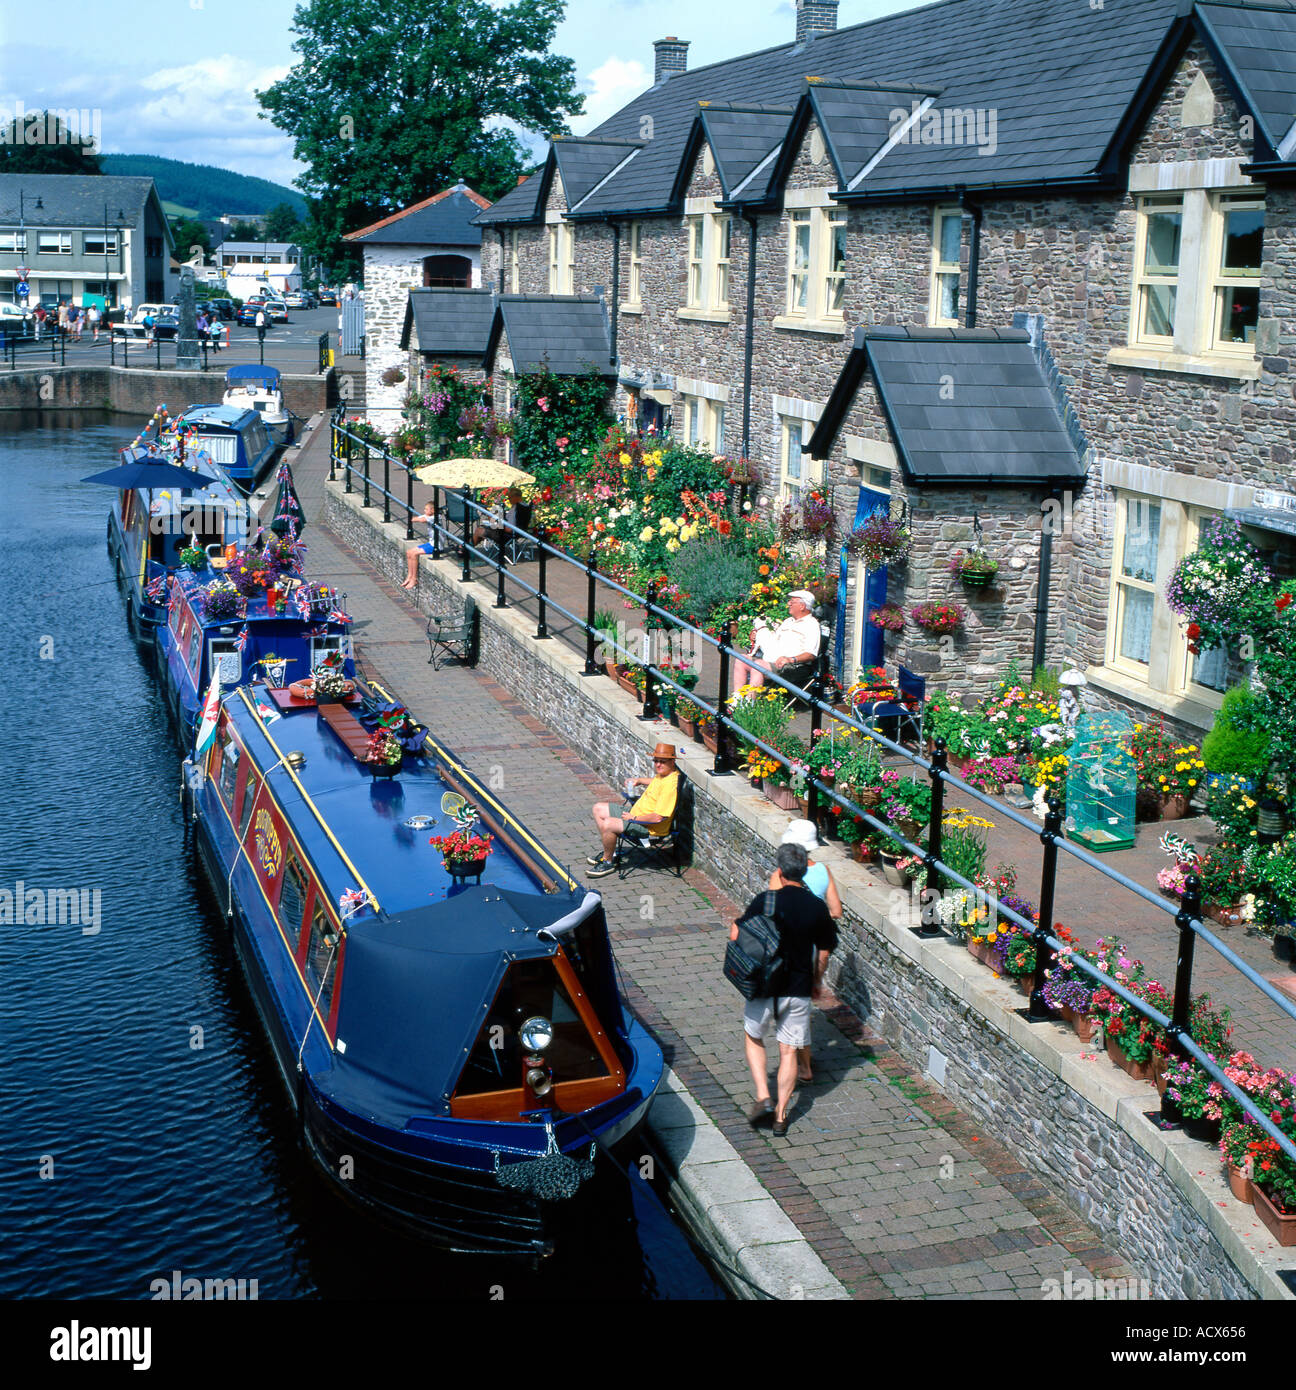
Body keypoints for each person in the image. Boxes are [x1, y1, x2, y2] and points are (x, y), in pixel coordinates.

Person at [732, 842, 837, 1135]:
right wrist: (816, 981)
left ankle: (763, 1096)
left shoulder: (765, 901)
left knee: (754, 1037)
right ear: (804, 871)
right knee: (789, 1050)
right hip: (798, 986)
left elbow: (737, 932)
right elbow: (826, 950)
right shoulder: (817, 907)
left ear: (779, 870)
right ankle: (780, 1116)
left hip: (764, 984)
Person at [770, 821, 842, 1084]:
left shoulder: (780, 875)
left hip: (790, 950)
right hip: (815, 946)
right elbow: (836, 911)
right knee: (802, 1007)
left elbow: (772, 911)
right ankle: (804, 1062)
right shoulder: (824, 871)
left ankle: (802, 1065)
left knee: (791, 1011)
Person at [587, 742, 680, 878]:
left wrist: (634, 819)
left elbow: (658, 817)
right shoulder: (664, 775)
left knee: (608, 824)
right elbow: (655, 781)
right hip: (635, 816)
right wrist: (640, 780)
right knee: (598, 808)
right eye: (656, 761)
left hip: (649, 828)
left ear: (672, 762)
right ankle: (611, 852)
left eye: (662, 762)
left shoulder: (670, 786)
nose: (658, 764)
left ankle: (608, 862)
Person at [731, 590, 820, 691]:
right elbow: (775, 639)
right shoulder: (788, 621)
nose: (788, 603)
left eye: (792, 601)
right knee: (741, 659)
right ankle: (736, 700)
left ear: (802, 606)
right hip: (773, 659)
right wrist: (757, 635)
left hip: (793, 667)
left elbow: (811, 654)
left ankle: (749, 703)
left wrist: (791, 659)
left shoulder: (812, 625)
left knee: (759, 666)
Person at [401, 501, 436, 588]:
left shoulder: (435, 517)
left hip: (436, 546)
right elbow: (416, 519)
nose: (424, 511)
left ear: (433, 510)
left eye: (426, 509)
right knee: (409, 552)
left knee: (414, 554)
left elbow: (421, 519)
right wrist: (416, 518)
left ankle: (414, 579)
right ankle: (409, 576)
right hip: (431, 543)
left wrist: (417, 519)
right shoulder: (429, 516)